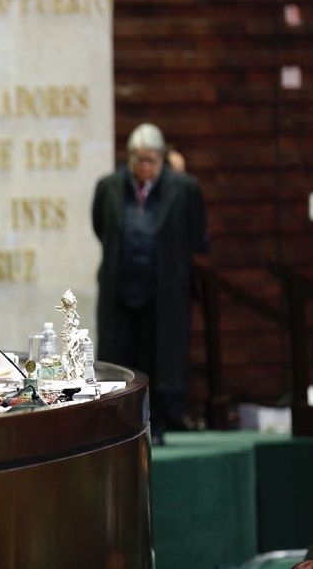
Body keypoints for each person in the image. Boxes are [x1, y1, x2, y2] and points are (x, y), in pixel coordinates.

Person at [92, 123, 208, 445]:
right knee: (120, 357)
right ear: (129, 158)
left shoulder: (184, 189)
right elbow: (101, 227)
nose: (145, 167)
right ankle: (121, 425)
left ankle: (157, 424)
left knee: (160, 357)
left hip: (164, 292)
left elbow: (196, 235)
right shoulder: (109, 187)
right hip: (121, 287)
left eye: (151, 160)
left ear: (162, 158)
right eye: (139, 160)